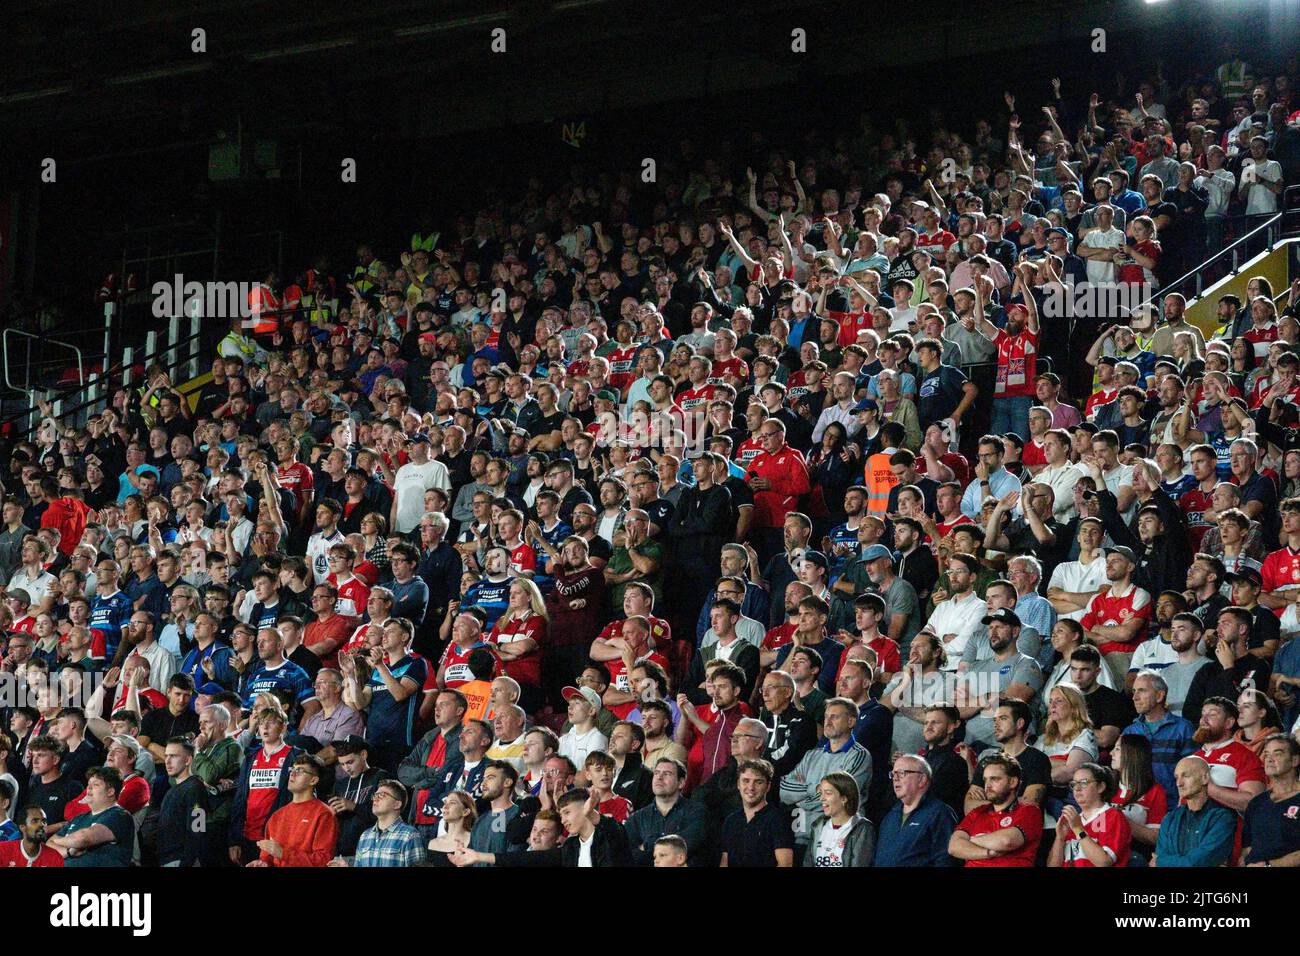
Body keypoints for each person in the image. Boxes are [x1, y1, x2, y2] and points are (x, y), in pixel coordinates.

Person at [950, 754, 1043, 867]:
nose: (987, 785)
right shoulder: (977, 812)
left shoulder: (1029, 811)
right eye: (985, 780)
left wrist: (969, 841)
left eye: (994, 779)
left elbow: (1006, 841)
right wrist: (988, 852)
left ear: (1013, 782)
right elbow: (954, 847)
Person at [247, 754, 337, 867]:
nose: (292, 774)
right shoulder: (277, 816)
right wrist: (262, 863)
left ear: (313, 780)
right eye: (292, 769)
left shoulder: (324, 814)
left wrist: (283, 854)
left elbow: (324, 860)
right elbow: (267, 857)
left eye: (300, 770)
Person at [1123, 671, 1197, 807]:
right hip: (1137, 807)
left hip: (1174, 807)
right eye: (1134, 691)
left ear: (1159, 696)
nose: (1134, 697)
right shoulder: (1129, 731)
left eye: (1142, 691)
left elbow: (1193, 771)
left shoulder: (1183, 728)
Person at [873, 755, 957, 867]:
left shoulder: (939, 813)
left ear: (922, 780)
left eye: (902, 773)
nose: (895, 778)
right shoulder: (890, 815)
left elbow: (945, 860)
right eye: (893, 774)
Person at [624, 756, 709, 866]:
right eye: (656, 773)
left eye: (667, 774)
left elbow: (689, 845)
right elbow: (627, 855)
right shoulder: (637, 818)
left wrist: (647, 846)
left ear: (681, 783)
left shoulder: (697, 812)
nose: (659, 777)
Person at [1153, 756, 1237, 867]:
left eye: (1186, 776)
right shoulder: (1170, 818)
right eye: (1176, 777)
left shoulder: (1222, 818)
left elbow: (1198, 863)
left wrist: (1162, 862)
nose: (1179, 783)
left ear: (1205, 778)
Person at [47, 767, 135, 867]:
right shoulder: (79, 818)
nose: (89, 788)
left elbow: (83, 838)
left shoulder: (120, 815)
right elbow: (48, 846)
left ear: (110, 791)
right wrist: (68, 851)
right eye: (89, 784)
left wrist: (56, 841)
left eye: (96, 785)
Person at [1047, 763, 1132, 868]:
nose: (1077, 788)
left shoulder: (1112, 816)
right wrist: (1060, 838)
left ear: (1100, 787)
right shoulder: (1072, 820)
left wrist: (1078, 829)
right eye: (1074, 784)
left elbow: (1103, 862)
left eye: (1083, 783)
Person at [719, 758, 796, 867]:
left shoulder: (777, 820)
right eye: (746, 781)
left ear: (768, 786)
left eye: (758, 782)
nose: (751, 787)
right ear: (738, 784)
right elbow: (725, 861)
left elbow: (786, 864)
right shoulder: (731, 821)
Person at [335, 779, 426, 868]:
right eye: (375, 795)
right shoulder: (365, 836)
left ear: (397, 804)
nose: (375, 799)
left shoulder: (409, 835)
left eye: (382, 795)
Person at [1242, 734, 1300, 866]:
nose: (1269, 759)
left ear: (1295, 760)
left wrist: (1269, 865)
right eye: (1267, 754)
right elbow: (1246, 849)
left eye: (1277, 754)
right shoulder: (1256, 803)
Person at [804, 770, 875, 868]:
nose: (821, 798)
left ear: (844, 798)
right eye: (821, 793)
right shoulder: (817, 825)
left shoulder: (862, 828)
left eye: (828, 793)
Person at [156, 737, 209, 867]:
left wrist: (187, 861)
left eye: (173, 756)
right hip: (167, 859)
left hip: (182, 860)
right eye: (166, 756)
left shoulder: (195, 788)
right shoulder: (171, 791)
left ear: (188, 760)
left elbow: (198, 828)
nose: (167, 761)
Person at [0, 805, 64, 867]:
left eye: (44, 821)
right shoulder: (3, 850)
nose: (42, 824)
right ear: (22, 827)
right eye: (35, 821)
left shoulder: (55, 858)